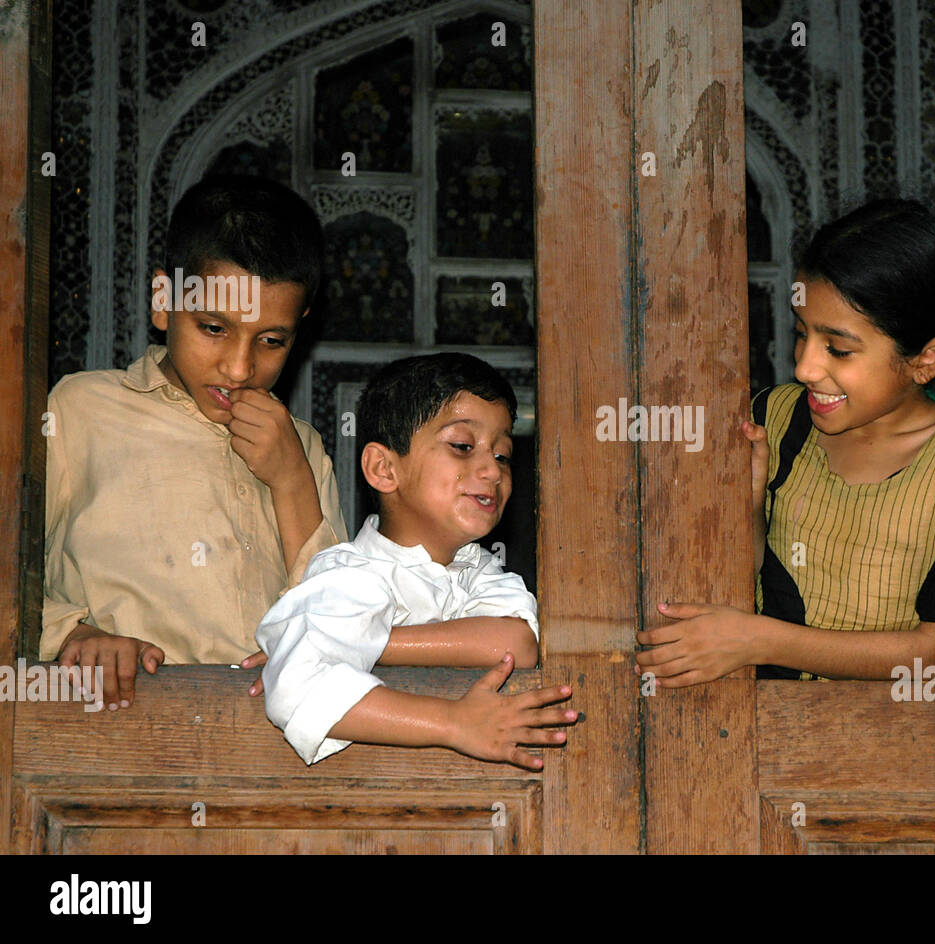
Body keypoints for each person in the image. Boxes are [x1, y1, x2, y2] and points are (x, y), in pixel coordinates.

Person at [635, 199, 935, 684]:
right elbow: (736, 580)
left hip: (913, 743)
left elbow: (934, 653)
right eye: (801, 334)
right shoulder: (772, 421)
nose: (805, 368)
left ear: (926, 360)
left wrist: (754, 639)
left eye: (838, 349)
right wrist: (748, 509)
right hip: (775, 731)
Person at [41, 175, 347, 710]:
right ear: (164, 303)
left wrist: (292, 479)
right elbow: (9, 579)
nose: (239, 367)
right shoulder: (78, 410)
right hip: (112, 729)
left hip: (264, 743)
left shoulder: (302, 448)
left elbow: (345, 620)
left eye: (271, 341)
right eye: (213, 328)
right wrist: (70, 635)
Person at [255, 354, 575, 768]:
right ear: (383, 468)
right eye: (462, 446)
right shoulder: (348, 574)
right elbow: (297, 687)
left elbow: (515, 644)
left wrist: (371, 641)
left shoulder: (479, 571)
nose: (493, 472)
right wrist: (451, 723)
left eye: (502, 455)